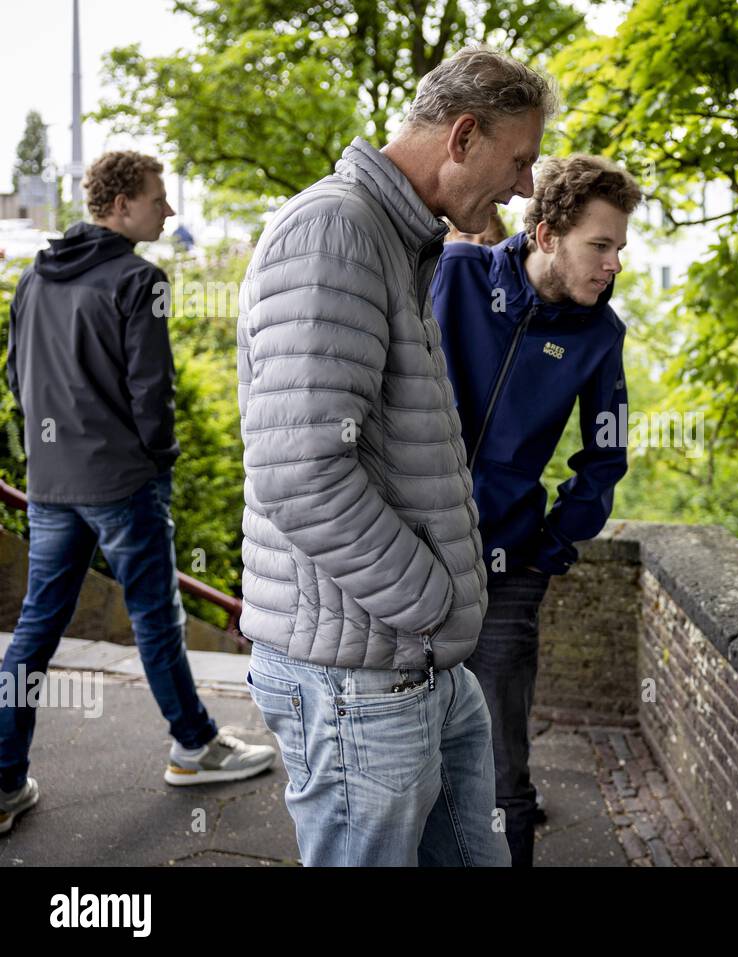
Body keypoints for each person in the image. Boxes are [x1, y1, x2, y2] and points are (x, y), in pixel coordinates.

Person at [237, 46, 556, 866]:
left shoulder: (396, 237)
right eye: (519, 160)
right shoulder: (335, 230)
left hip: (414, 662)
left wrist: (436, 622)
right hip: (360, 673)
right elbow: (299, 473)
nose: (524, 187)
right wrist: (430, 598)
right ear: (461, 137)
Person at [1, 151, 274, 837]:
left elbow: (14, 374)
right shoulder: (137, 277)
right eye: (159, 198)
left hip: (51, 480)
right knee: (156, 615)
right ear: (121, 205)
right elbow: (153, 393)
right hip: (122, 481)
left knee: (36, 627)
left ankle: (4, 778)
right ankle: (193, 745)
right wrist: (159, 462)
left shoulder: (36, 276)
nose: (169, 210)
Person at [432, 154, 641, 865]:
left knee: (502, 767)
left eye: (619, 247)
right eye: (600, 244)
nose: (614, 263)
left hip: (509, 566)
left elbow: (603, 458)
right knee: (401, 751)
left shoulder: (598, 335)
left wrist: (549, 548)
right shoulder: (455, 279)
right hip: (415, 556)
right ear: (547, 233)